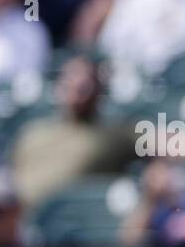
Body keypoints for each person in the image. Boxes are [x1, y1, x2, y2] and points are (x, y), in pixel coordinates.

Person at [9, 56, 137, 208]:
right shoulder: (32, 134)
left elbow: (165, 142)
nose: (78, 85)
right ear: (58, 86)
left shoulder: (116, 134)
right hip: (20, 219)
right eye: (71, 78)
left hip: (75, 223)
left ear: (99, 89)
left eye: (86, 81)